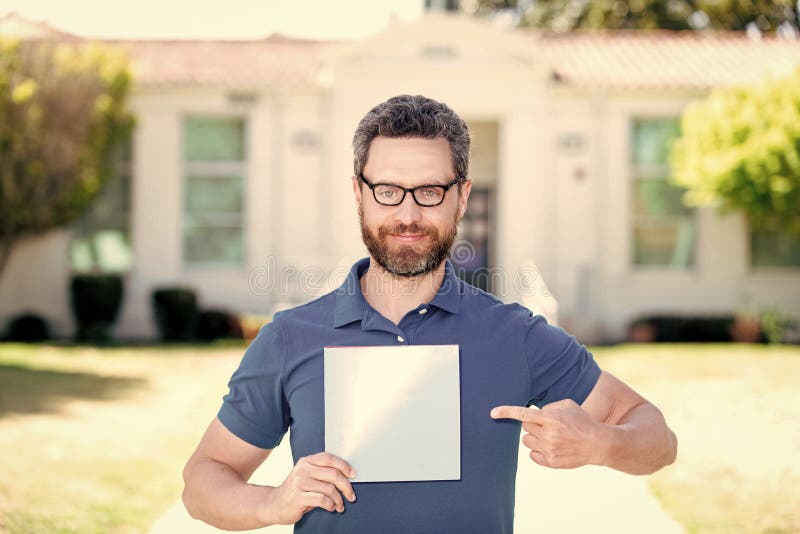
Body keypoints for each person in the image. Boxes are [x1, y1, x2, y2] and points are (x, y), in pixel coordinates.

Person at [181, 94, 678, 533]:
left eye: (430, 192)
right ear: (359, 193)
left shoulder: (515, 335)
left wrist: (602, 444)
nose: (408, 214)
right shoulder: (291, 337)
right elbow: (202, 481)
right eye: (388, 190)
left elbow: (657, 437)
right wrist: (273, 501)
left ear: (461, 197)